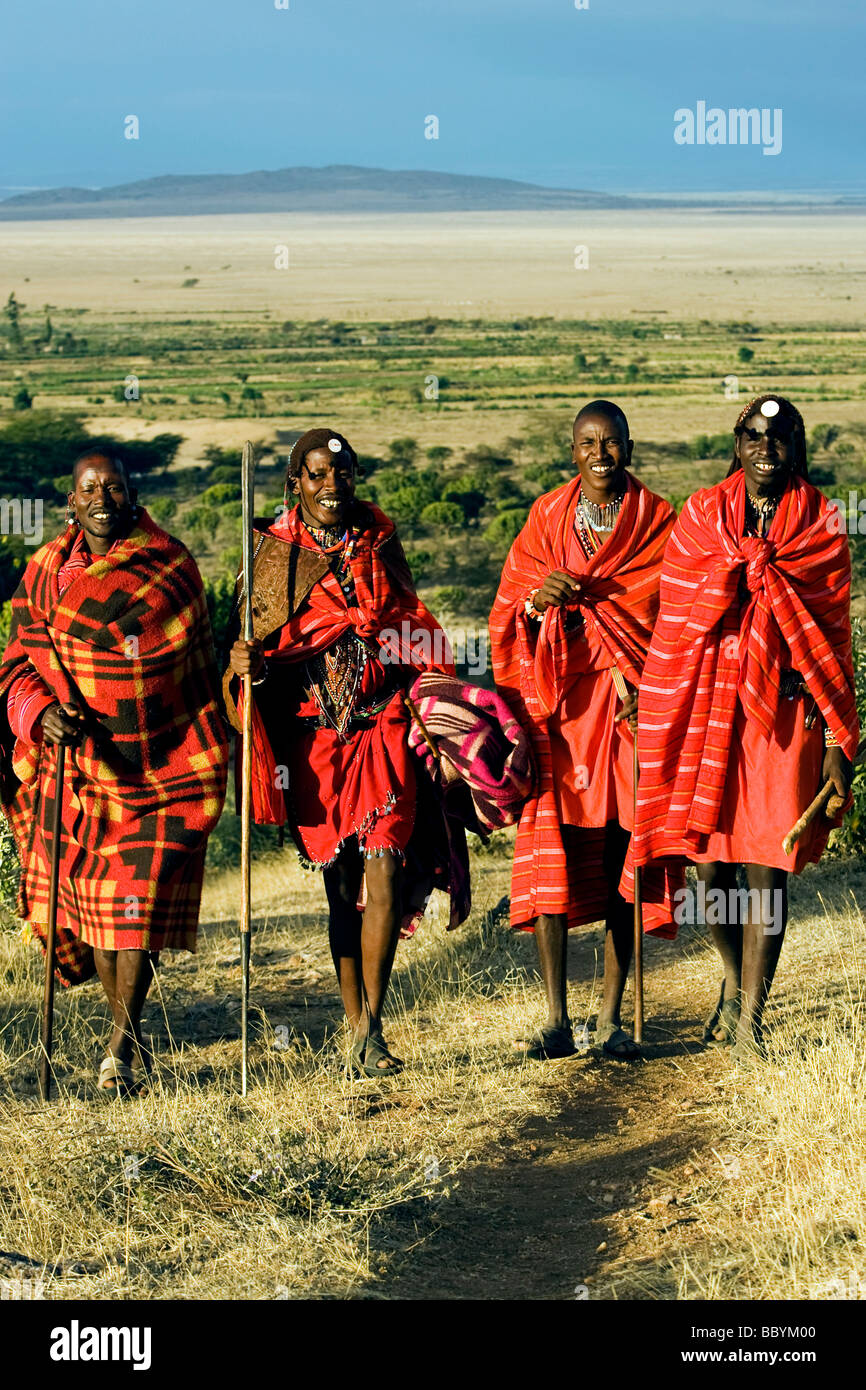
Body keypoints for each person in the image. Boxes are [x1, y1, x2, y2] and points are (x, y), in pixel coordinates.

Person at [630, 394, 858, 1061]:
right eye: (754, 436)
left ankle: (752, 1022)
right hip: (708, 709)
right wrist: (736, 573)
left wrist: (839, 743)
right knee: (711, 869)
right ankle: (733, 985)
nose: (766, 448)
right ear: (738, 444)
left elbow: (832, 639)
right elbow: (675, 618)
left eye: (779, 437)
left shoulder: (821, 524)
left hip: (785, 719)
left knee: (768, 868)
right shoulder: (703, 515)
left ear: (797, 446)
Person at [225, 427, 458, 1077]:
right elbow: (254, 656)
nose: (333, 486)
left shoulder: (379, 541)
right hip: (313, 746)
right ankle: (354, 1021)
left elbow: (413, 623)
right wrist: (247, 664)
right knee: (340, 890)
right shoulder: (273, 558)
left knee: (383, 871)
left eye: (343, 473)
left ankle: (374, 1028)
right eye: (318, 474)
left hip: (381, 727)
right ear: (295, 483)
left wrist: (434, 690)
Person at [0, 449, 228, 1093]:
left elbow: (183, 668)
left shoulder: (170, 567)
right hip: (74, 771)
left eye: (115, 487)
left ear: (133, 495)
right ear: (70, 500)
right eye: (89, 488)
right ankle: (123, 1033)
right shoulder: (43, 572)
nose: (103, 497)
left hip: (164, 769)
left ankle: (120, 1050)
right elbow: (19, 663)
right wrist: (40, 711)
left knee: (136, 907)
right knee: (102, 915)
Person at [489, 401, 676, 1059]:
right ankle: (555, 1019)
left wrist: (652, 685)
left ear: (629, 445)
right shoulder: (546, 517)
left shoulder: (659, 521)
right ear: (573, 450)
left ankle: (612, 1015)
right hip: (561, 713)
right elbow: (508, 605)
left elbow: (677, 618)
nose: (601, 453)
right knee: (556, 856)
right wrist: (538, 600)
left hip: (630, 710)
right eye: (588, 442)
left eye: (612, 442)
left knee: (625, 854)